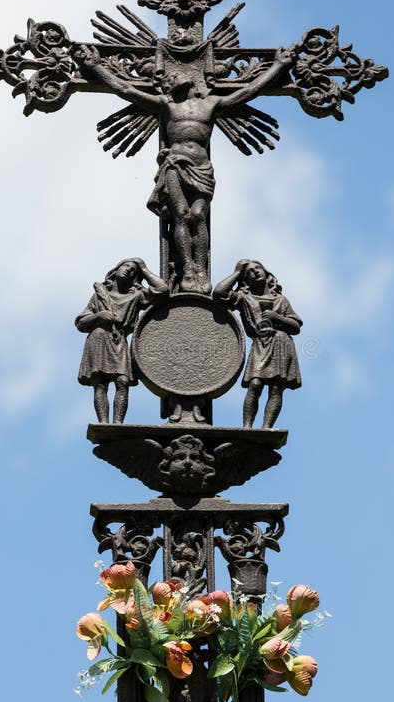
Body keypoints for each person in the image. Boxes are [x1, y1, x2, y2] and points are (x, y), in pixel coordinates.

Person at [74, 45, 296, 294]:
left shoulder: (212, 104)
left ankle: (200, 267)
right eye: (169, 77)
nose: (172, 76)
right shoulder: (166, 106)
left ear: (191, 80)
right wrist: (95, 67)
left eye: (175, 75)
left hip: (202, 167)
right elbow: (125, 89)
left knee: (198, 215)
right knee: (181, 213)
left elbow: (249, 89)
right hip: (175, 164)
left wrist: (279, 66)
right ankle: (187, 269)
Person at [75, 258, 168, 423]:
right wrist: (99, 316)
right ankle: (103, 422)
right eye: (126, 266)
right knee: (101, 384)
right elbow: (81, 323)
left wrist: (144, 269)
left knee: (122, 381)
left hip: (120, 340)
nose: (129, 271)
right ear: (115, 270)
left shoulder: (136, 297)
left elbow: (162, 290)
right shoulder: (99, 296)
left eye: (134, 271)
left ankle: (118, 423)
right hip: (99, 338)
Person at [214, 260, 302, 429]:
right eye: (249, 273)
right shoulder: (244, 297)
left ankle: (266, 428)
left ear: (265, 271)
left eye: (257, 268)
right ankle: (247, 427)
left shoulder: (281, 300)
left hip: (281, 343)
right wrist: (237, 273)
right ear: (246, 280)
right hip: (261, 343)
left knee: (276, 388)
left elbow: (296, 327)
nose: (255, 272)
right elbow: (219, 294)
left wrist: (278, 318)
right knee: (255, 385)